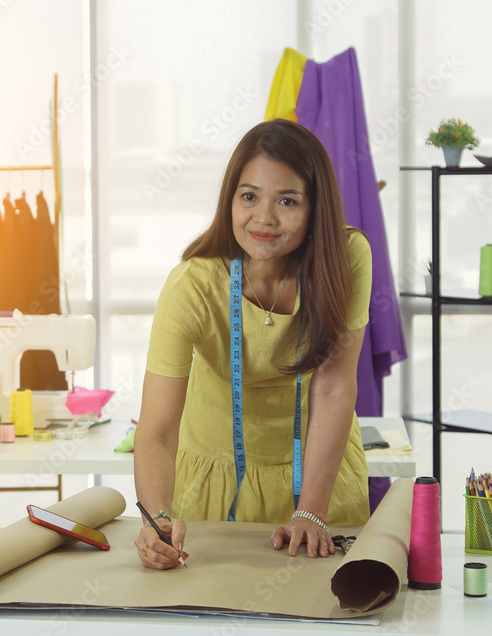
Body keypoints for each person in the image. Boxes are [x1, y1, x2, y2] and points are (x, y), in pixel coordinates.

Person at [133, 119, 371, 570]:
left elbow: (334, 386)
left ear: (316, 208)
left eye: (287, 201)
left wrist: (311, 510)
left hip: (320, 474)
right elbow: (158, 429)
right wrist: (157, 519)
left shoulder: (347, 257)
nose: (263, 218)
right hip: (213, 477)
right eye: (249, 196)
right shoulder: (192, 287)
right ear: (230, 199)